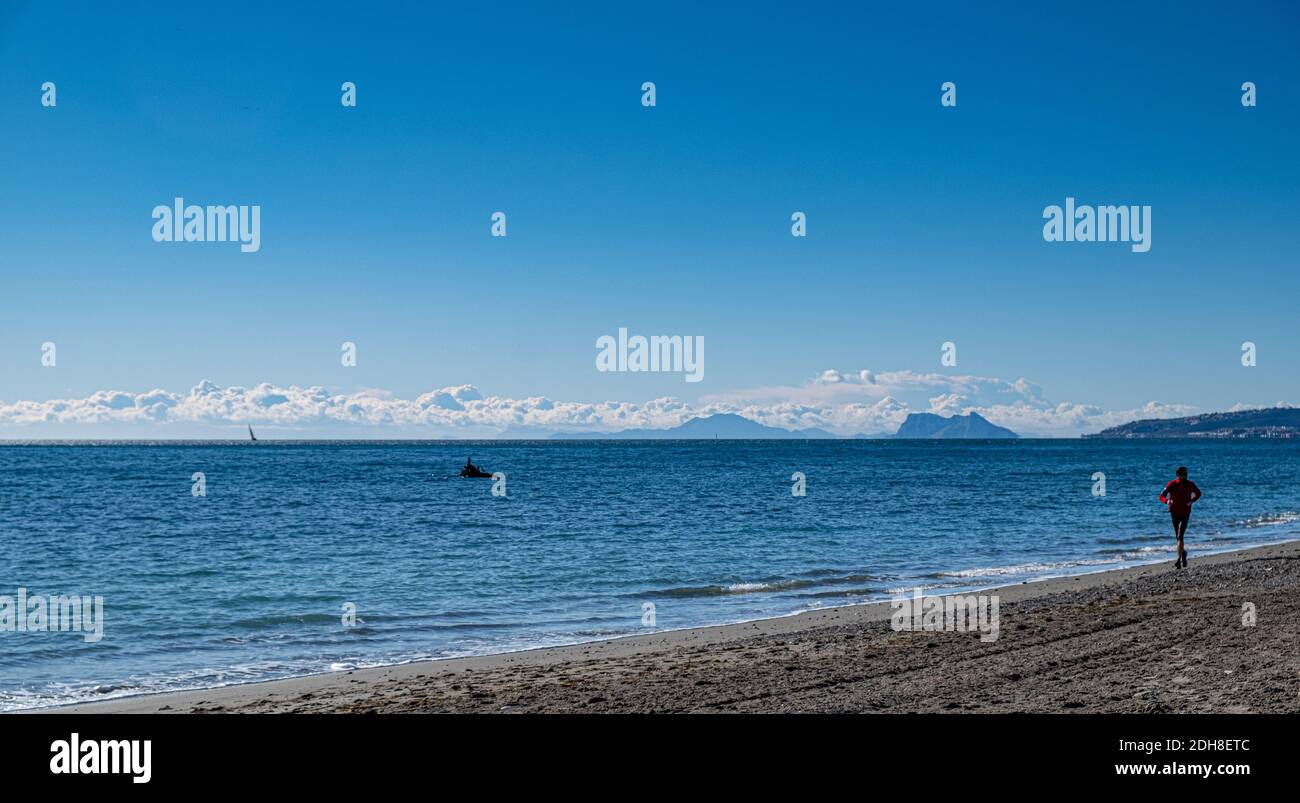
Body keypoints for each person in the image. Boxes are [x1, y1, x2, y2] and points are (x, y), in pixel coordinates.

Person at [1159, 466, 1202, 569]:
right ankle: (1183, 554)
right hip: (1174, 512)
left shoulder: (1190, 484)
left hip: (1185, 512)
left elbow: (1199, 493)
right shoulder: (1172, 484)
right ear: (1178, 475)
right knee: (1178, 537)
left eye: (1186, 474)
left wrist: (1192, 500)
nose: (1185, 476)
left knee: (1180, 536)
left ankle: (1178, 560)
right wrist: (1167, 501)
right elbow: (1161, 496)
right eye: (1183, 474)